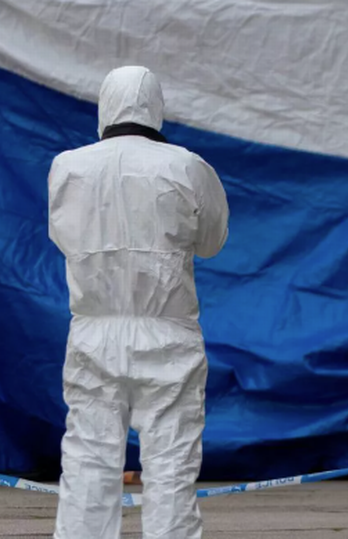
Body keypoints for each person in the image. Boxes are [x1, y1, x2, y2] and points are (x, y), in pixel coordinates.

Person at [48, 66, 229, 539]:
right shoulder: (187, 165)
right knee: (171, 466)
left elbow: (62, 237)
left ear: (105, 105)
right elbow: (212, 241)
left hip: (93, 329)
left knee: (88, 463)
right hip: (167, 329)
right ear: (156, 107)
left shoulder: (67, 166)